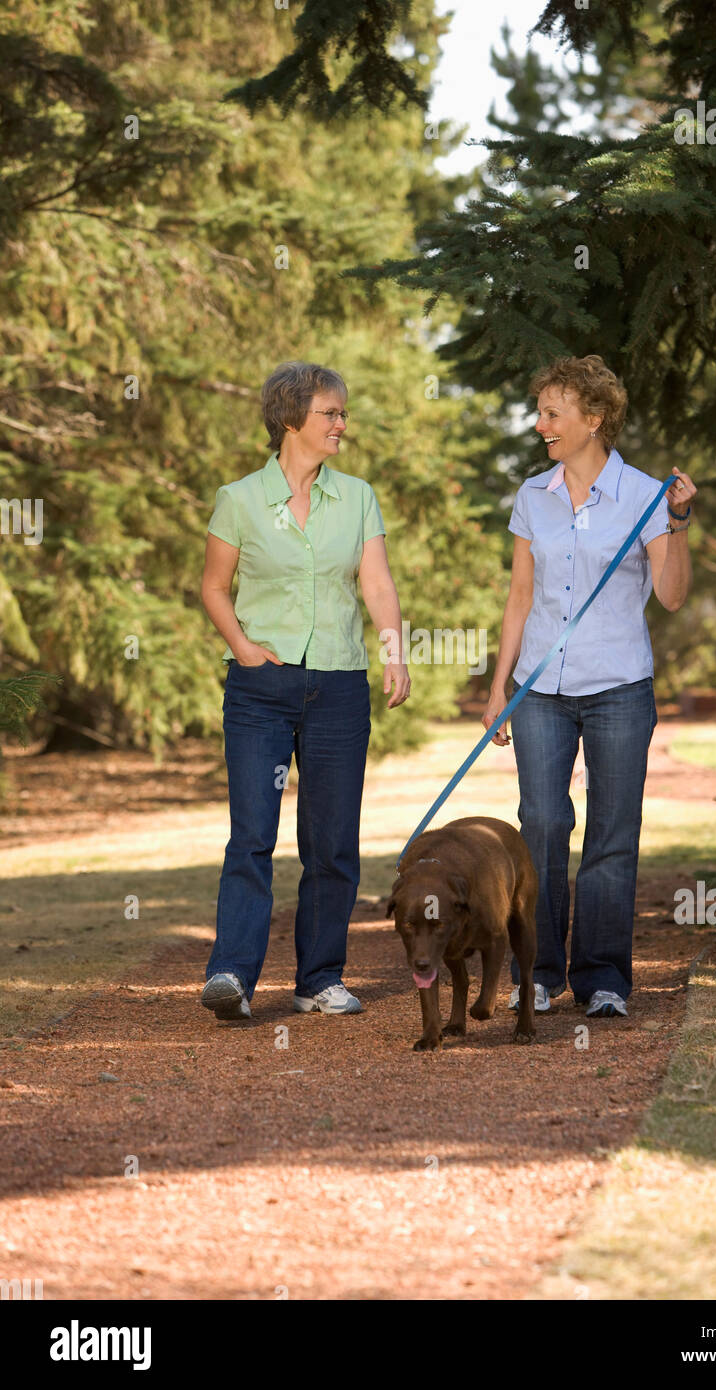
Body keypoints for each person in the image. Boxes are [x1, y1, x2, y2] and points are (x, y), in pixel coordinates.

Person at [482, 354, 696, 1018]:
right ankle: (540, 972)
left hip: (619, 688)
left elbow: (673, 596)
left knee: (611, 831)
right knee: (542, 825)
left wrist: (680, 524)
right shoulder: (531, 498)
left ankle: (603, 976)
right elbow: (519, 599)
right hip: (540, 688)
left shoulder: (643, 497)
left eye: (553, 412)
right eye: (541, 411)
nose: (540, 424)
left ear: (594, 418)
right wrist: (498, 693)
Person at [199, 361, 410, 1021]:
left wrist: (393, 649)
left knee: (332, 839)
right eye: (331, 414)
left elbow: (375, 582)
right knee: (253, 833)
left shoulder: (358, 497)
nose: (342, 425)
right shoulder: (239, 499)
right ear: (292, 419)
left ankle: (319, 978)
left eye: (342, 413)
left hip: (341, 686)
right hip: (262, 688)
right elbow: (213, 586)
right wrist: (241, 648)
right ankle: (232, 974)